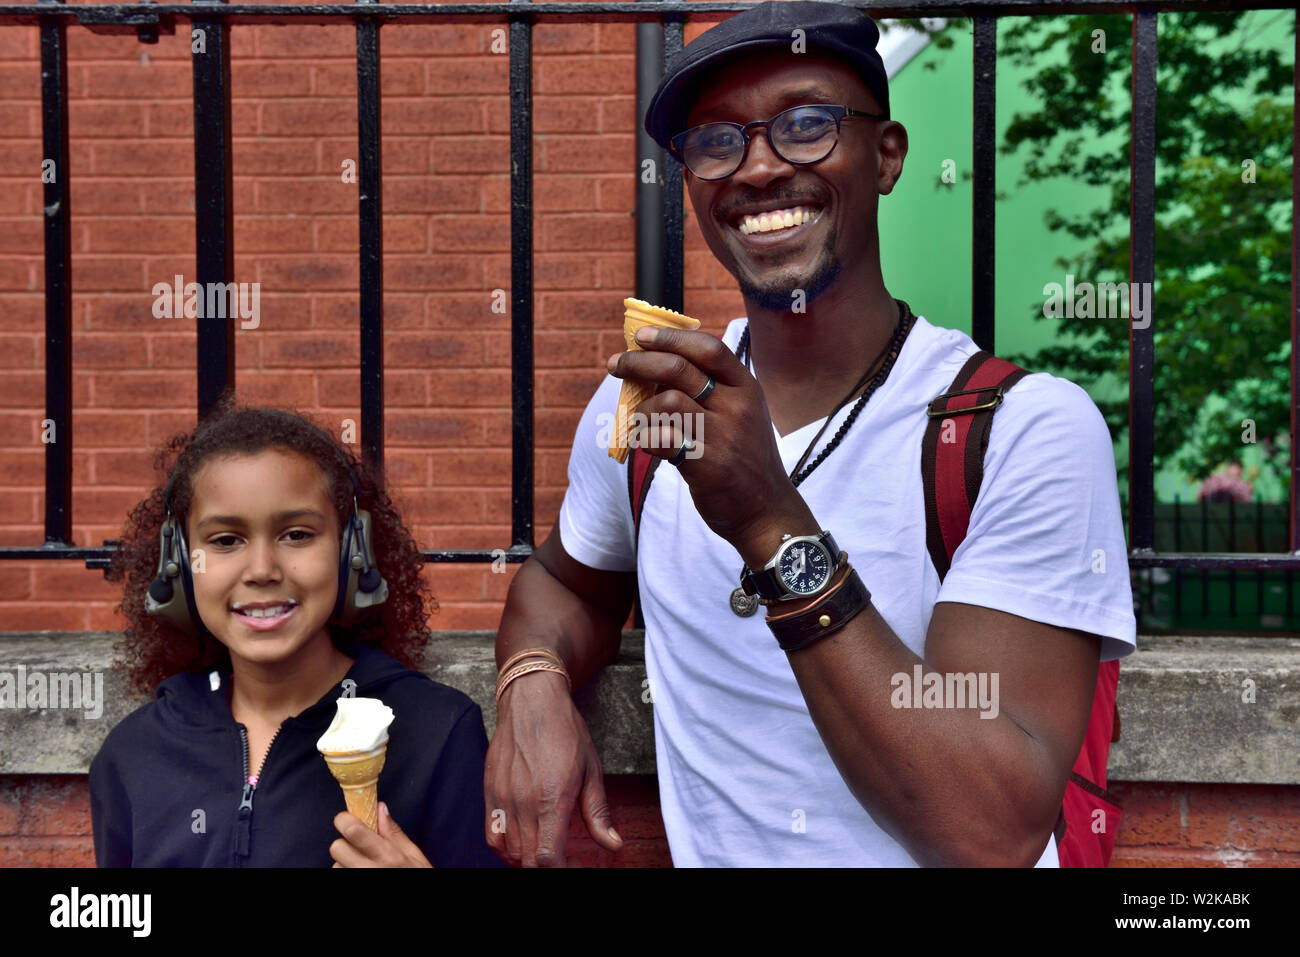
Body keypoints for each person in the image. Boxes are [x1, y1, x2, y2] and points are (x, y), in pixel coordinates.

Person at [486, 0, 1137, 867]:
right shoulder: (649, 416)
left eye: (805, 124)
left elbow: (990, 829)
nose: (756, 167)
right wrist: (530, 681)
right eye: (716, 141)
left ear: (888, 155)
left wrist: (769, 521)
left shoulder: (1016, 431)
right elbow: (566, 584)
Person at [92, 394, 505, 867]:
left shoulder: (437, 732)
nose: (263, 569)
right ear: (179, 563)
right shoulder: (133, 755)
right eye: (225, 540)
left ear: (354, 549)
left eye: (297, 535)